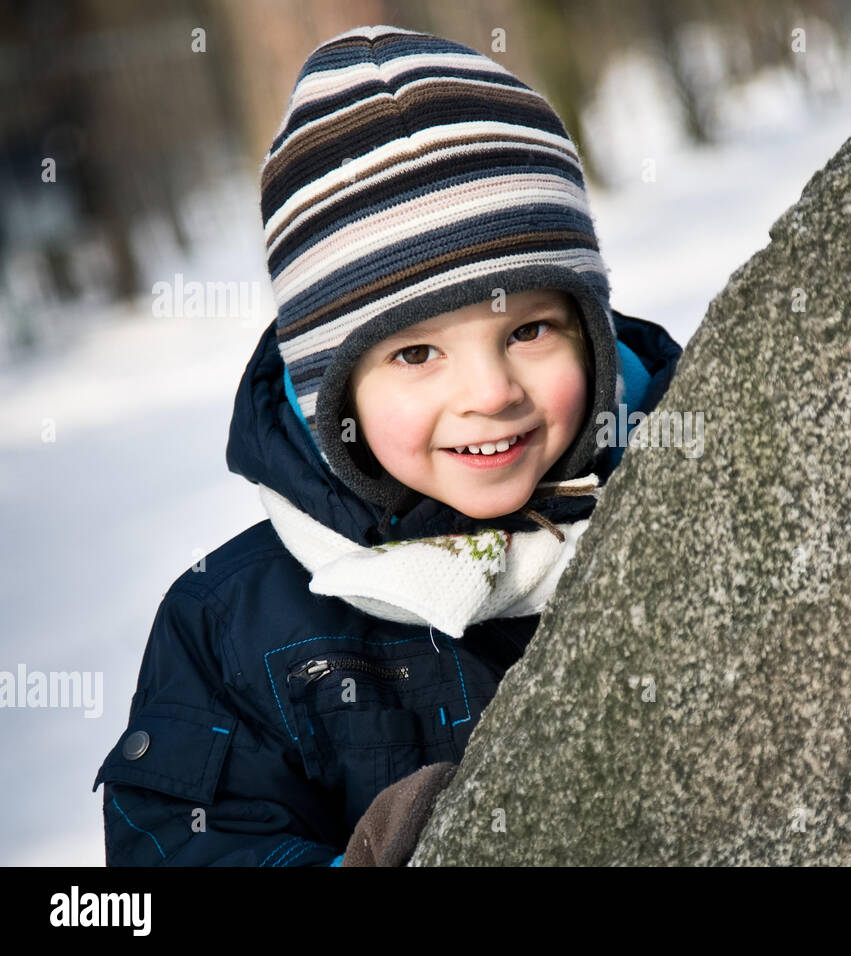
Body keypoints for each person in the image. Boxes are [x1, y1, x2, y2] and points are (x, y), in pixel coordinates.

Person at [93, 25, 683, 866]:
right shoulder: (233, 629)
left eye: (530, 329)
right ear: (329, 394)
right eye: (415, 353)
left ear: (589, 331)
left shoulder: (687, 503)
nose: (489, 394)